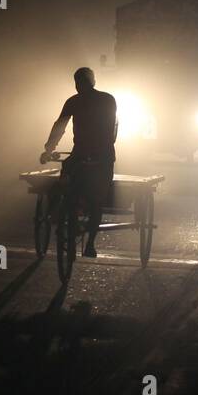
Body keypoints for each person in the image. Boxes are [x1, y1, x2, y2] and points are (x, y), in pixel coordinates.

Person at [40, 67, 118, 257]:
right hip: (99, 155)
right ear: (93, 81)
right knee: (95, 201)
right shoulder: (107, 99)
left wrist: (49, 149)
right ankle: (89, 244)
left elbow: (60, 126)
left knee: (75, 186)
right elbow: (113, 128)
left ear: (78, 83)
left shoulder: (74, 101)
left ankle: (62, 215)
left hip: (91, 154)